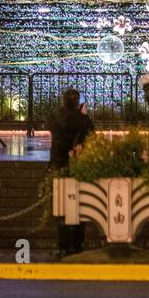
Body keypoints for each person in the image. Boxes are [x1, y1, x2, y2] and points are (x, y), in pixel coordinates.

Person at [48, 89, 94, 256]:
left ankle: (63, 244)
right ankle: (77, 244)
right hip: (76, 166)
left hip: (58, 165)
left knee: (61, 208)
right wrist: (84, 115)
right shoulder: (82, 120)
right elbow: (90, 137)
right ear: (77, 102)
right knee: (78, 207)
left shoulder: (55, 118)